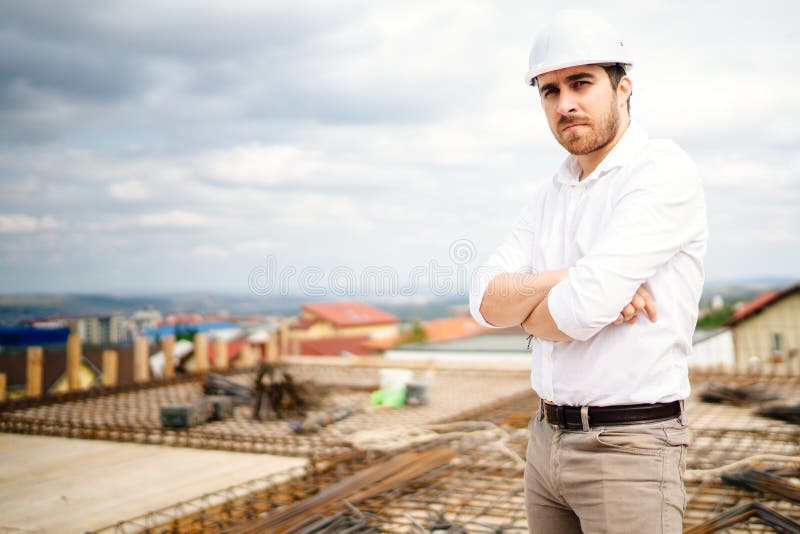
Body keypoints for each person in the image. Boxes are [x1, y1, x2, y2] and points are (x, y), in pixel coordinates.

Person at [468, 9, 708, 534]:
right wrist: (563, 279)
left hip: (630, 449)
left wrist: (538, 303)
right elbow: (484, 303)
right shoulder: (550, 193)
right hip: (545, 439)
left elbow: (574, 315)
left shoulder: (662, 171)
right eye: (550, 91)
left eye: (581, 83)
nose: (565, 103)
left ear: (623, 87)